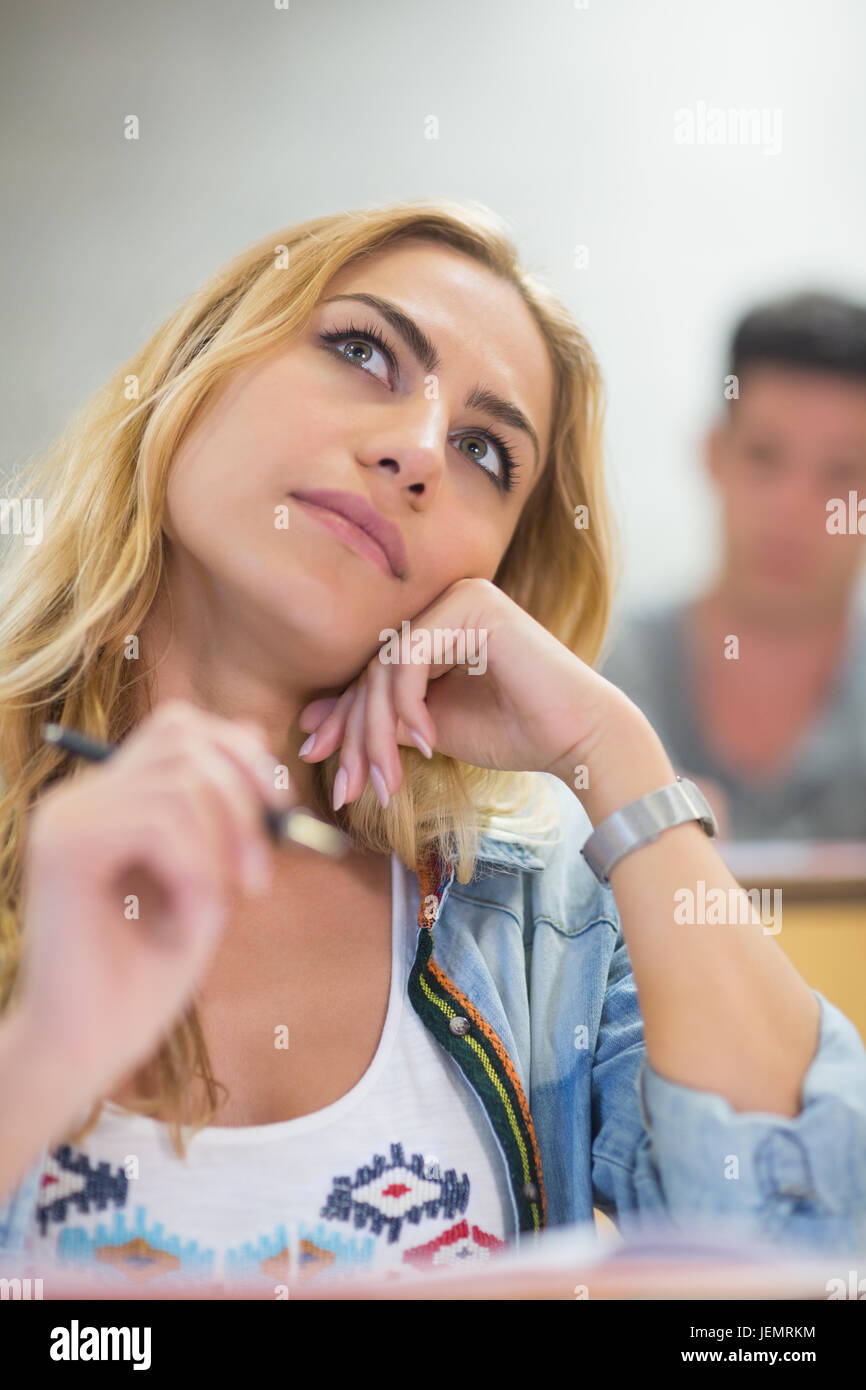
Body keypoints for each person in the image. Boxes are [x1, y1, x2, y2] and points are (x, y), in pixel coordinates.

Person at [0, 203, 863, 1293]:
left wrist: (613, 751)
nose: (415, 453)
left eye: (483, 451)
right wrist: (40, 1057)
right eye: (361, 351)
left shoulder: (539, 905)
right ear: (195, 370)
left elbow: (805, 1264)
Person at [600, 292, 866, 841]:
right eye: (765, 455)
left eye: (841, 471)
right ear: (713, 452)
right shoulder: (595, 674)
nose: (792, 506)